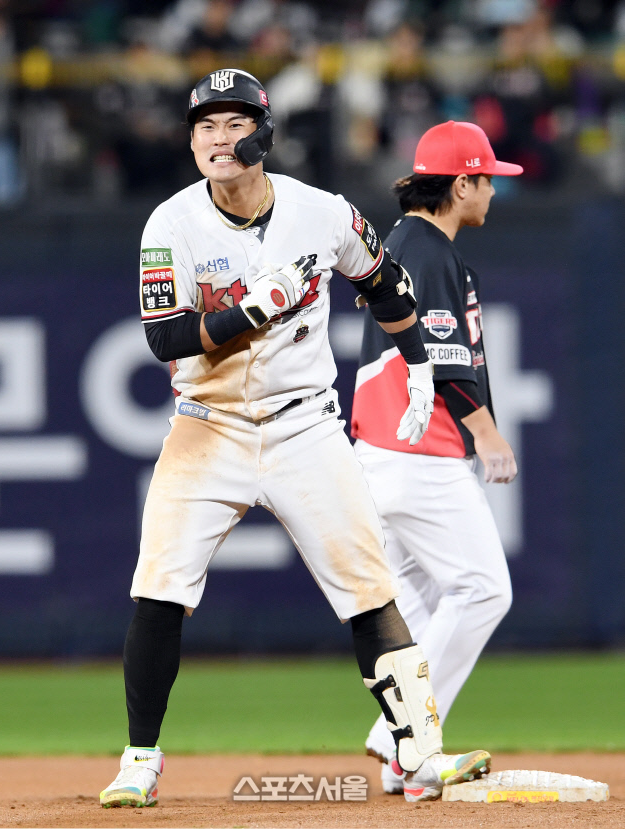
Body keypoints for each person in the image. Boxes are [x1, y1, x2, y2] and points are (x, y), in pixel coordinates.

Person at [100, 70, 491, 809]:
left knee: (368, 588)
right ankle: (140, 757)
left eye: (233, 123)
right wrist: (249, 309)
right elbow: (164, 339)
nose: (218, 138)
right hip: (207, 427)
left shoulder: (321, 213)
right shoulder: (170, 223)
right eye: (204, 126)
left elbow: (384, 282)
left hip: (303, 425)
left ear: (263, 135)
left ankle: (419, 754)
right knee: (158, 589)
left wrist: (416, 365)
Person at [351, 120, 522, 794]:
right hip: (417, 452)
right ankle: (407, 738)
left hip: (381, 454)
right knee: (483, 589)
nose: (491, 192)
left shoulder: (407, 244)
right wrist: (486, 431)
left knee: (418, 604)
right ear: (460, 183)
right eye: (486, 180)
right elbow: (444, 355)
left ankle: (406, 755)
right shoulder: (426, 251)